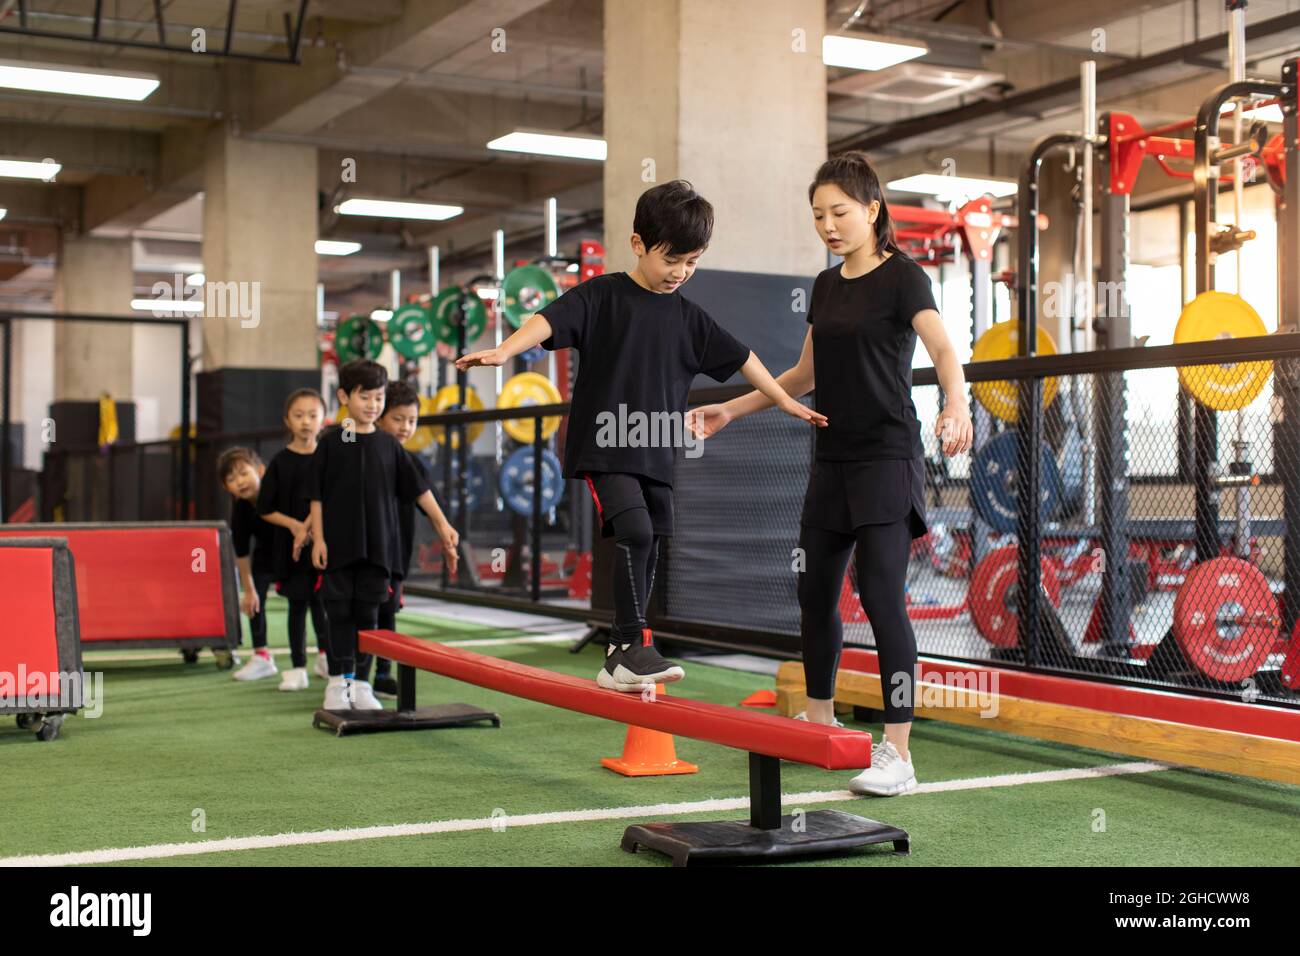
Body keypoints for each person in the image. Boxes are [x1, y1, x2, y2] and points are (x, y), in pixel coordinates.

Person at [456, 179, 826, 692]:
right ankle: (632, 645)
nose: (680, 272)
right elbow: (548, 320)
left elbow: (743, 358)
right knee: (635, 531)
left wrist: (783, 398)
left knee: (655, 538)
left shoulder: (689, 318)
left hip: (655, 449)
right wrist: (505, 350)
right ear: (638, 245)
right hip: (604, 445)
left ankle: (619, 651)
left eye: (692, 262)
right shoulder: (603, 296)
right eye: (671, 258)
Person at [687, 151, 973, 796]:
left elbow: (944, 347)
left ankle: (897, 750)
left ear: (873, 210)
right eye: (818, 215)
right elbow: (802, 375)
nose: (828, 226)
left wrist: (956, 401)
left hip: (888, 459)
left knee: (880, 596)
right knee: (815, 597)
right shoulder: (825, 285)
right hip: (832, 460)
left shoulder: (905, 279)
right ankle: (819, 722)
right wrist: (728, 409)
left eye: (840, 213)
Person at [309, 359, 459, 711]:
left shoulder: (390, 447)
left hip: (379, 549)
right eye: (366, 397)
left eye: (378, 398)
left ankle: (362, 683)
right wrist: (318, 538)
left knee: (369, 614)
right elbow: (316, 494)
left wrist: (442, 524)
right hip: (339, 547)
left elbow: (420, 490)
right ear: (344, 396)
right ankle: (338, 681)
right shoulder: (331, 442)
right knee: (340, 613)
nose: (373, 405)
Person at [258, 389, 332, 691]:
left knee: (324, 606)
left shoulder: (328, 457)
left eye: (312, 415)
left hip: (323, 545)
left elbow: (330, 498)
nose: (306, 422)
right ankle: (297, 667)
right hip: (291, 552)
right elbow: (265, 508)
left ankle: (327, 658)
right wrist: (295, 527)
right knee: (297, 607)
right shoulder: (279, 461)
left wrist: (311, 528)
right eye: (298, 415)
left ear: (323, 419)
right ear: (287, 420)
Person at [366, 379, 436, 698]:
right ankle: (352, 673)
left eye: (412, 419)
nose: (406, 426)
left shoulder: (413, 463)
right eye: (398, 418)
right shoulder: (362, 457)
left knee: (387, 613)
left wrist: (445, 528)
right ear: (380, 415)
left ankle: (383, 673)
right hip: (365, 551)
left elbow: (426, 502)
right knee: (361, 614)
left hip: (397, 554)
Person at [218, 448, 280, 681]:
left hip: (297, 553)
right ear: (227, 488)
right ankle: (262, 656)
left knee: (312, 600)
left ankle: (325, 656)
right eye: (232, 479)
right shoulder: (241, 510)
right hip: (266, 556)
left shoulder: (279, 492)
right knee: (255, 602)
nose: (239, 482)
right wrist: (249, 590)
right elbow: (241, 552)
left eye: (244, 473)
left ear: (260, 471)